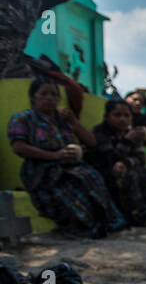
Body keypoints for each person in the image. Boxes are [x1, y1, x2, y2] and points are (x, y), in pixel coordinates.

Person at [7, 77, 127, 238]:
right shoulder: (23, 119)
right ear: (33, 96)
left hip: (70, 166)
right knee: (72, 183)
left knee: (91, 176)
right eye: (44, 93)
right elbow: (18, 147)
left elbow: (91, 142)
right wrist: (54, 155)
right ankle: (80, 225)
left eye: (54, 95)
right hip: (41, 170)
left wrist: (73, 121)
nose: (49, 98)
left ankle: (105, 221)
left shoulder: (62, 120)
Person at [89, 97, 146, 226]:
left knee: (144, 174)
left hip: (123, 168)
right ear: (106, 116)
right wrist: (127, 141)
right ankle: (139, 216)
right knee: (129, 176)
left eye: (127, 116)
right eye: (117, 115)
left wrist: (125, 163)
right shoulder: (99, 133)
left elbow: (141, 158)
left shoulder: (132, 132)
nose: (123, 119)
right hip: (103, 173)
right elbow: (110, 159)